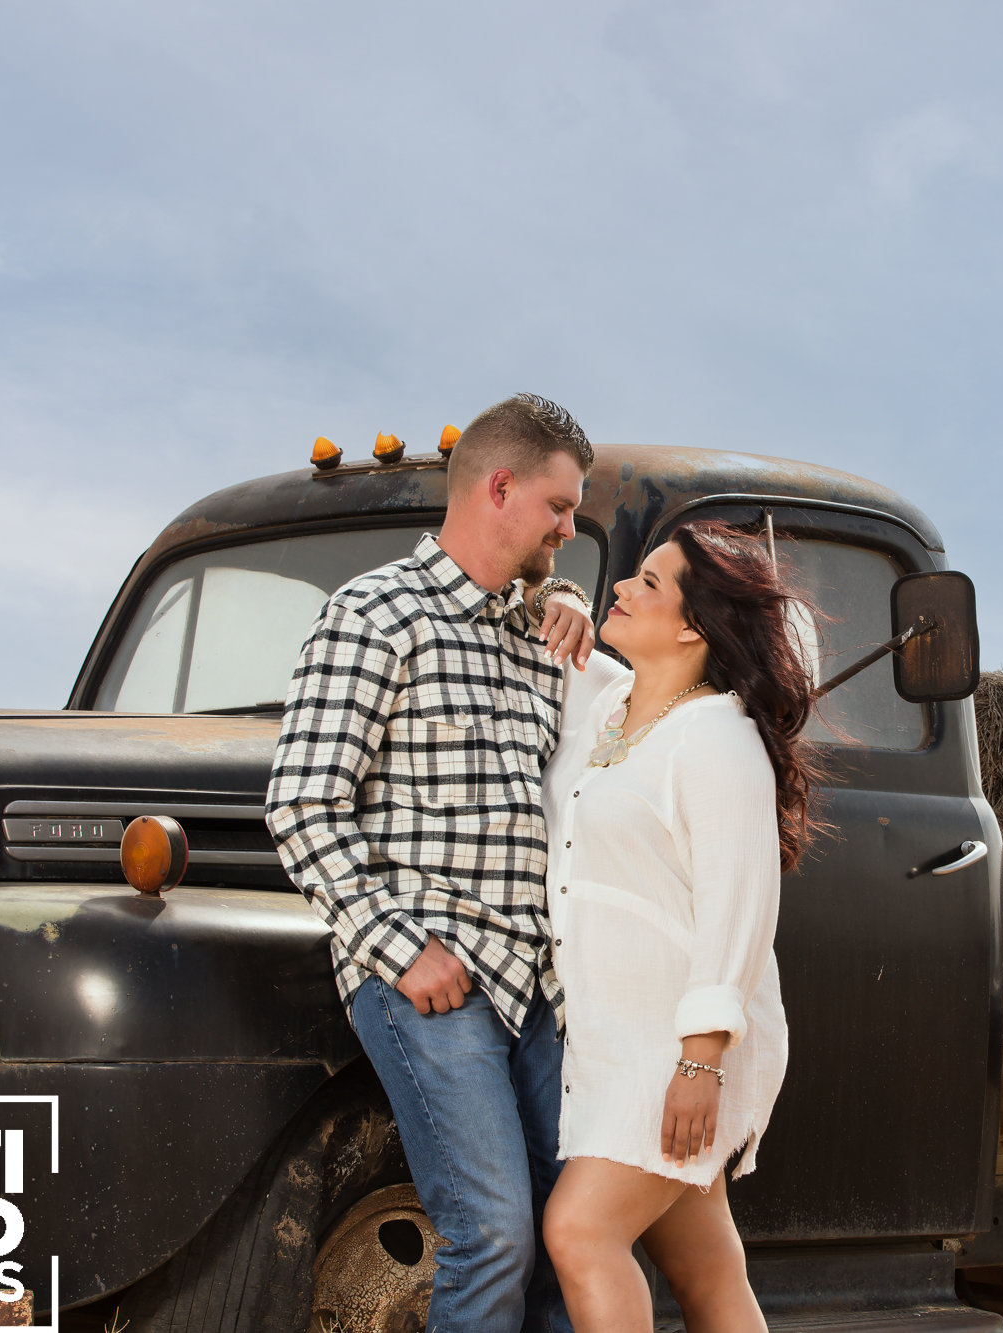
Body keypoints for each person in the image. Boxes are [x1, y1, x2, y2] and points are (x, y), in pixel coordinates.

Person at [266, 392, 600, 1333]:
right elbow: (301, 803)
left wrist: (571, 605)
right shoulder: (375, 615)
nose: (569, 530)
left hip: (539, 984)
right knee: (490, 1233)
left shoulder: (542, 637)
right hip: (431, 977)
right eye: (558, 507)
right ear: (499, 488)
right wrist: (400, 946)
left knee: (580, 1232)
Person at [540, 520, 820, 1333]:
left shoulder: (718, 738)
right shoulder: (613, 705)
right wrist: (560, 594)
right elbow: (543, 633)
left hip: (682, 1051)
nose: (622, 589)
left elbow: (741, 907)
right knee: (705, 1269)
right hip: (614, 1040)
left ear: (694, 626)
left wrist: (700, 1061)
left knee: (580, 1231)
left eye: (649, 583)